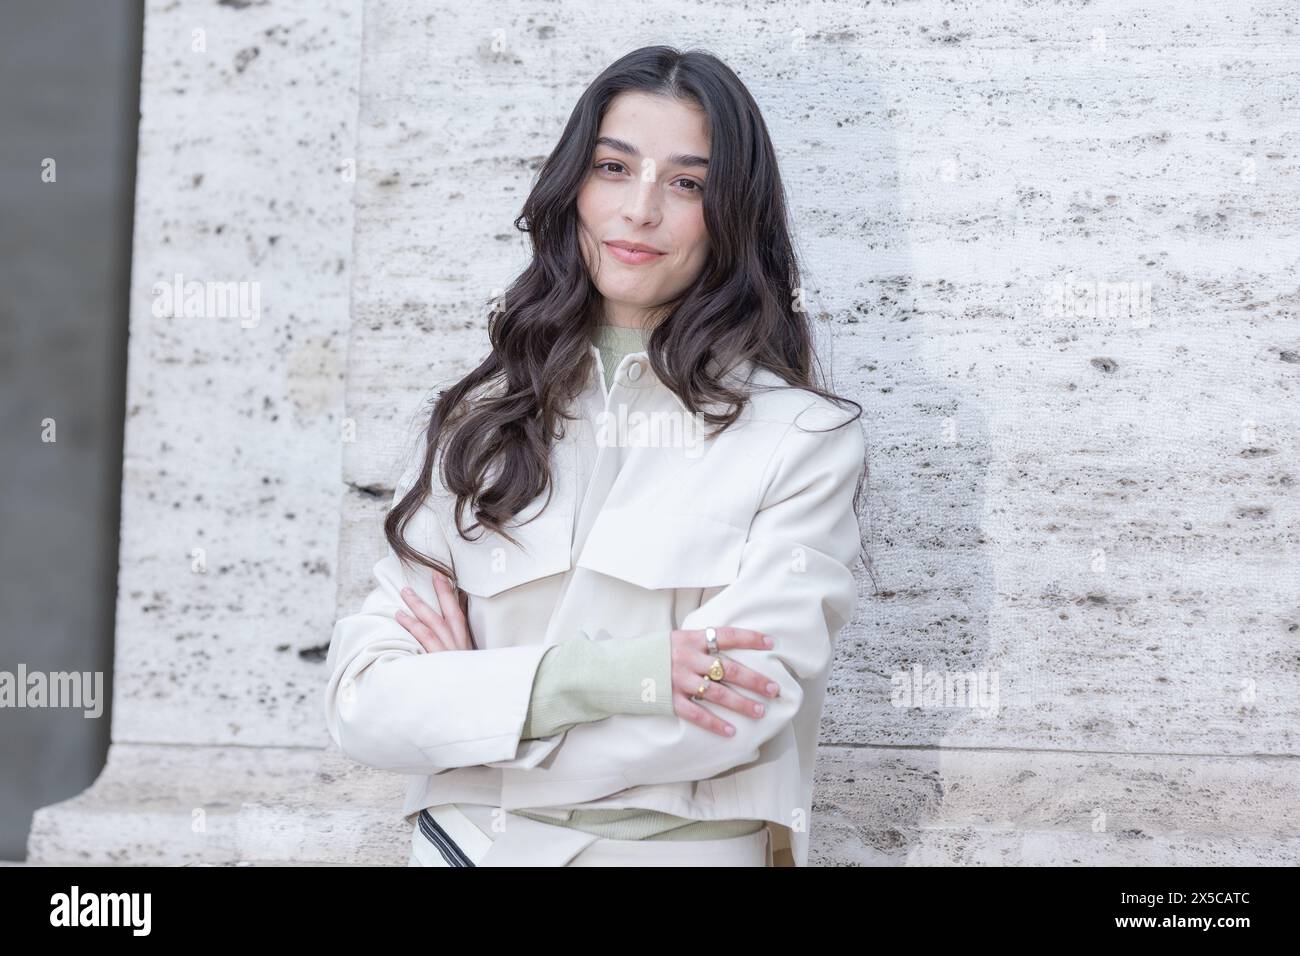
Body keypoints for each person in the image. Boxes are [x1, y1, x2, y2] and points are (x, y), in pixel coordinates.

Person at [322, 44, 868, 867]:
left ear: (732, 213)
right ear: (572, 184)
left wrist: (475, 709)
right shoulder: (480, 419)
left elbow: (735, 709)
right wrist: (609, 679)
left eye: (686, 183)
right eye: (614, 167)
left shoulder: (799, 438)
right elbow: (363, 702)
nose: (639, 210)